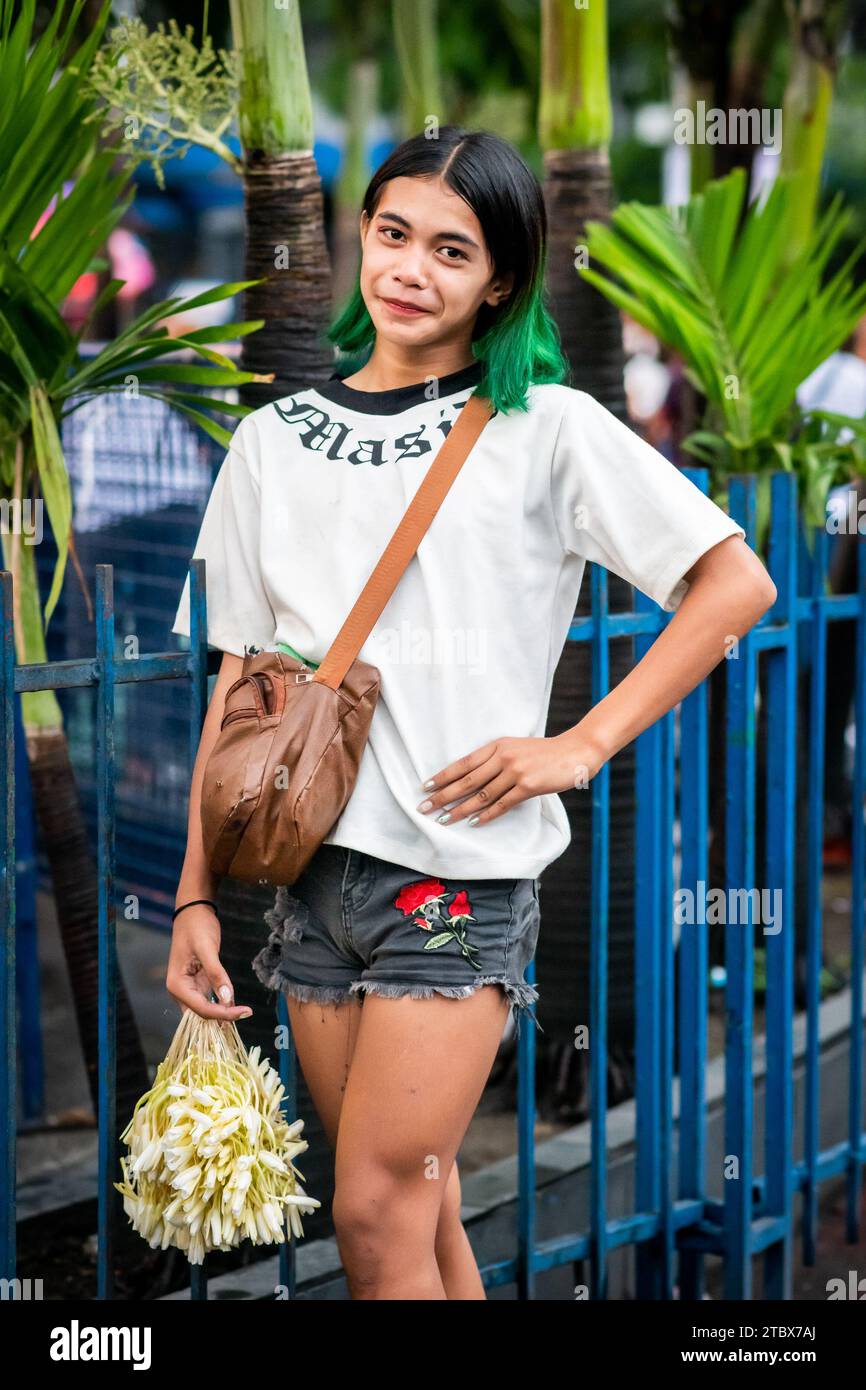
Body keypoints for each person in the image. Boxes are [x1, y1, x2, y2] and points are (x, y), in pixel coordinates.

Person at [167, 126, 776, 1300]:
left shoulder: (545, 428)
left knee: (372, 1213)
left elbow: (733, 581)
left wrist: (579, 744)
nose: (408, 268)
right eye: (392, 234)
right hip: (309, 884)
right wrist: (195, 891)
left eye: (452, 250)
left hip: (453, 880)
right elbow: (239, 684)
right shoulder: (270, 443)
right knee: (421, 1211)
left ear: (498, 279)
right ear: (361, 237)